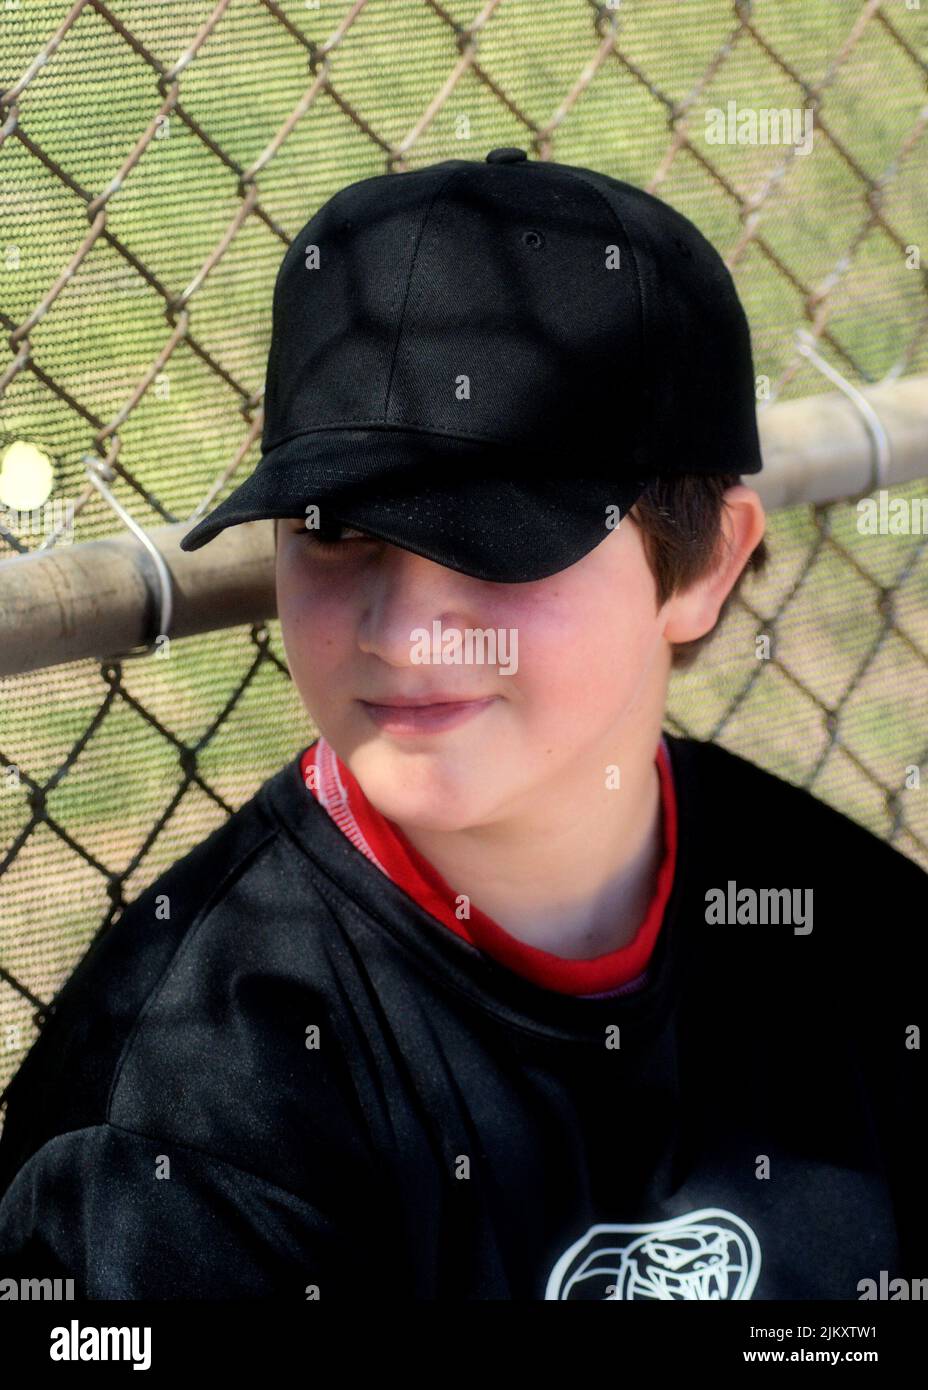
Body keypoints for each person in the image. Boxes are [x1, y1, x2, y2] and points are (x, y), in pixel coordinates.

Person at [0, 150, 923, 1301]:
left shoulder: (854, 934)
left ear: (705, 565)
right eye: (337, 533)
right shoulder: (191, 1106)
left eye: (497, 541)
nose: (403, 626)